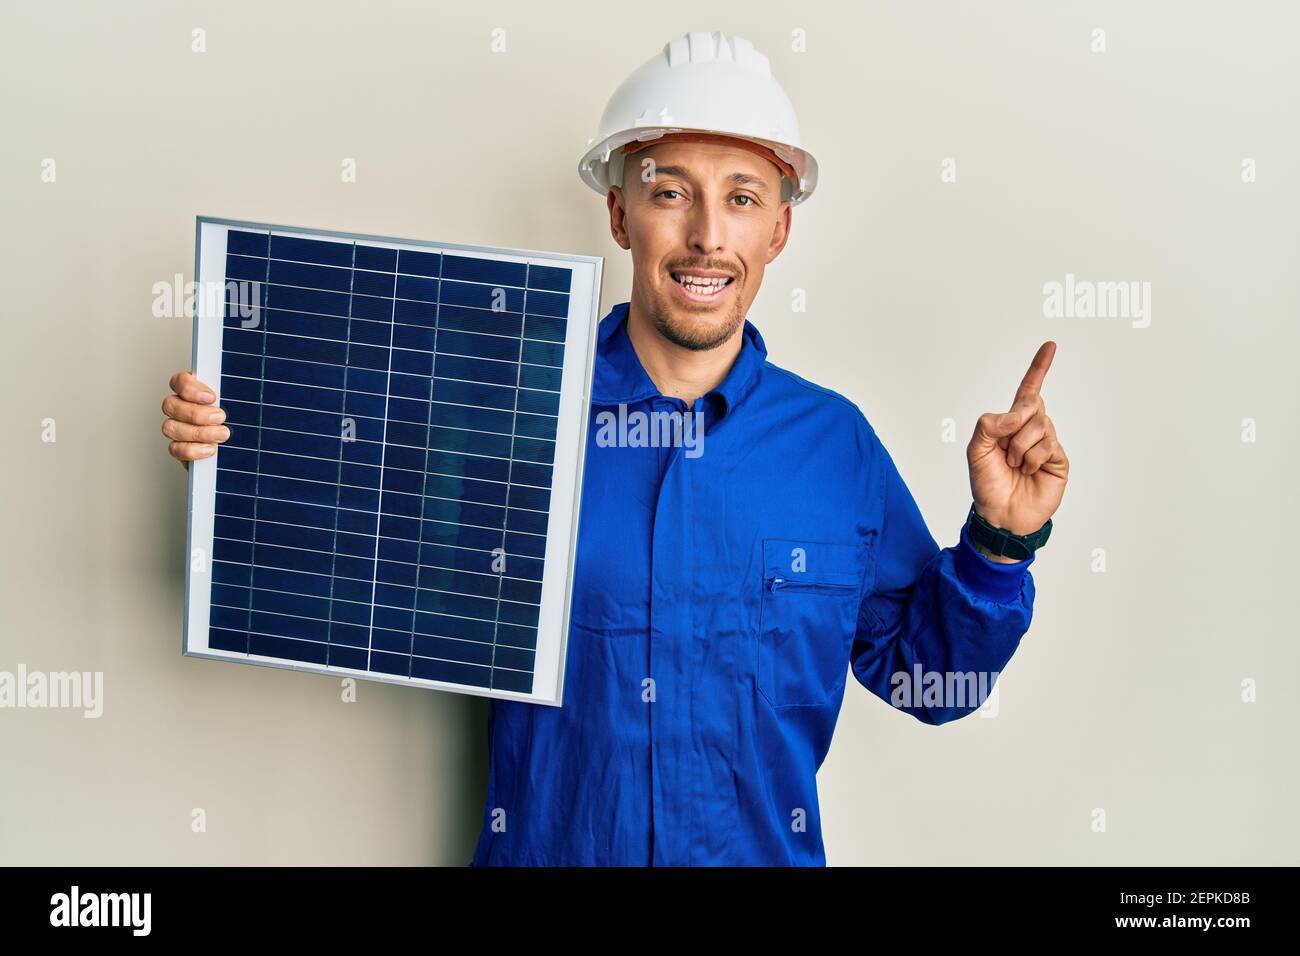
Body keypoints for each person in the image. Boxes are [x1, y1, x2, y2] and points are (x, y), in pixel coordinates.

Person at [160, 31, 1069, 865]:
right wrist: (244, 445)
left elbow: (933, 685)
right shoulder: (500, 418)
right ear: (619, 214)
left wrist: (1000, 541)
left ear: (778, 231)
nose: (707, 235)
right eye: (671, 192)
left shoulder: (836, 451)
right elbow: (344, 540)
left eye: (742, 199)